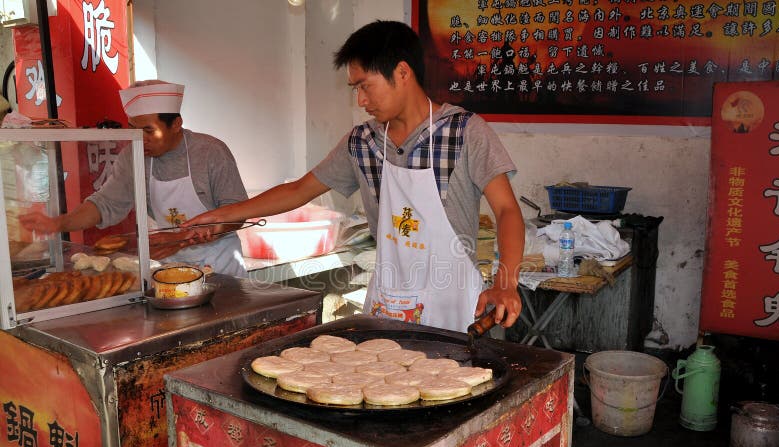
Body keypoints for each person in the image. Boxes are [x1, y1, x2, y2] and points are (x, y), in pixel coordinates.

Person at [185, 20, 524, 331]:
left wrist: (505, 282)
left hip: (456, 306)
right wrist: (224, 214)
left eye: (365, 85)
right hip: (391, 302)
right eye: (355, 89)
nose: (361, 99)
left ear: (402, 73)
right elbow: (300, 190)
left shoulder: (465, 132)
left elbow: (507, 210)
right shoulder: (362, 143)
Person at [20, 80, 249, 277]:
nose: (140, 139)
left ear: (176, 124)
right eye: (133, 129)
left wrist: (179, 239)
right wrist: (59, 223)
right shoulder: (133, 155)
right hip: (172, 269)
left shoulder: (210, 152)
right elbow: (105, 203)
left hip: (221, 266)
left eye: (148, 131)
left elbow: (236, 213)